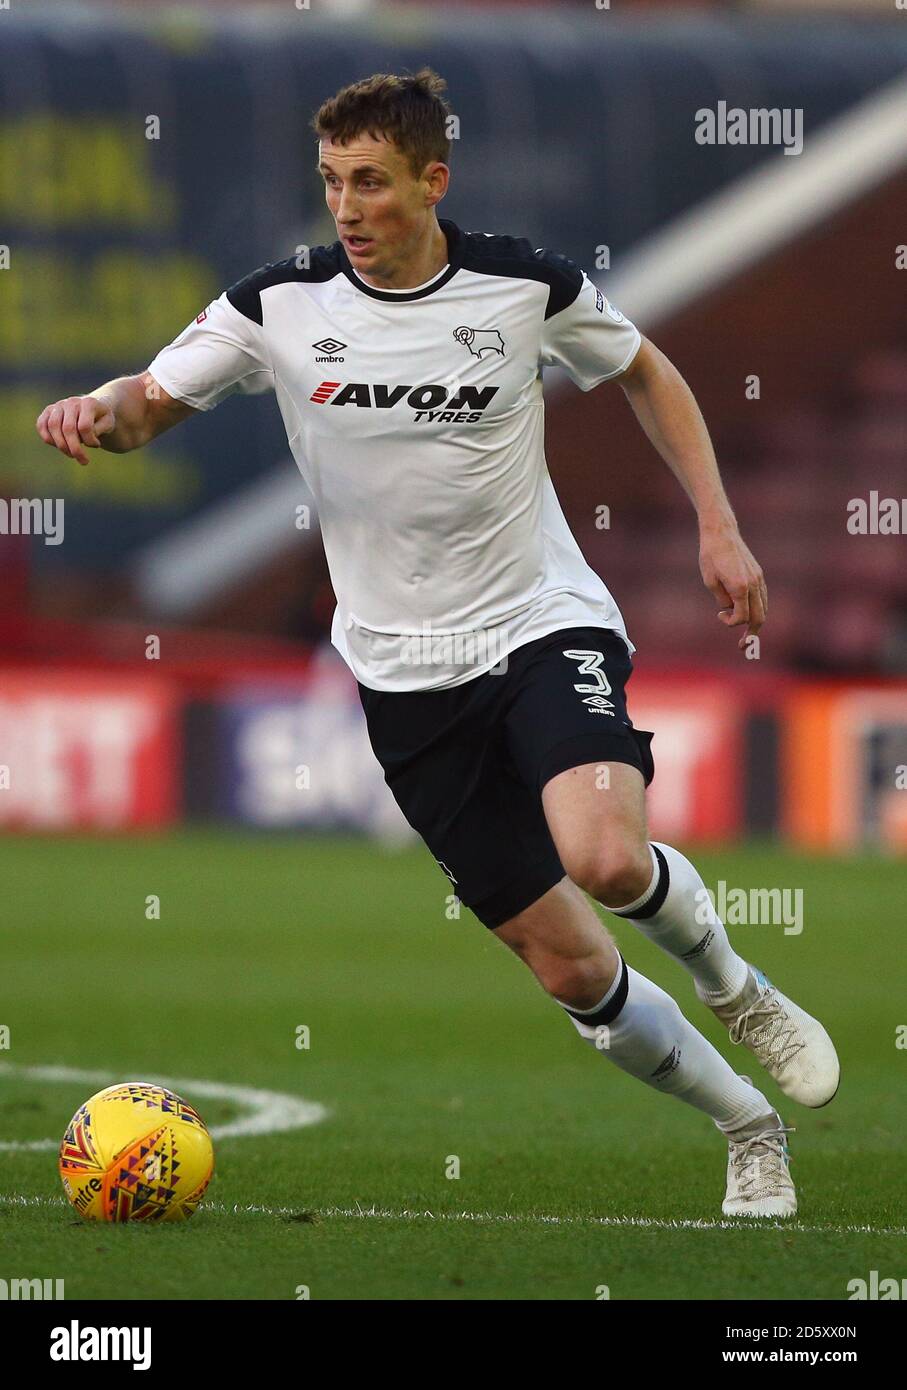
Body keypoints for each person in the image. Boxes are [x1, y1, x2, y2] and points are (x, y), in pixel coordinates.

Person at [36, 67, 839, 1218]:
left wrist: (719, 527)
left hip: (536, 620)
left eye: (370, 182)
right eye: (330, 184)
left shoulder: (523, 286)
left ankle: (735, 984)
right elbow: (148, 401)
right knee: (570, 968)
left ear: (432, 181)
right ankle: (746, 1126)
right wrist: (93, 415)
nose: (348, 208)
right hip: (404, 679)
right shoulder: (280, 306)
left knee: (607, 854)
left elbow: (648, 373)